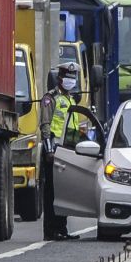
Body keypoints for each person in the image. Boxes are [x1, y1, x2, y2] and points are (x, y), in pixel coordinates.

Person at [39, 63, 79, 240]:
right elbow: (46, 125)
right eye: (68, 78)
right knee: (52, 193)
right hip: (53, 151)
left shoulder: (71, 99)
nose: (71, 81)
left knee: (64, 191)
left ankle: (62, 229)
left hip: (68, 151)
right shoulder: (50, 98)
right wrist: (49, 151)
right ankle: (51, 230)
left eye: (73, 78)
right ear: (60, 78)